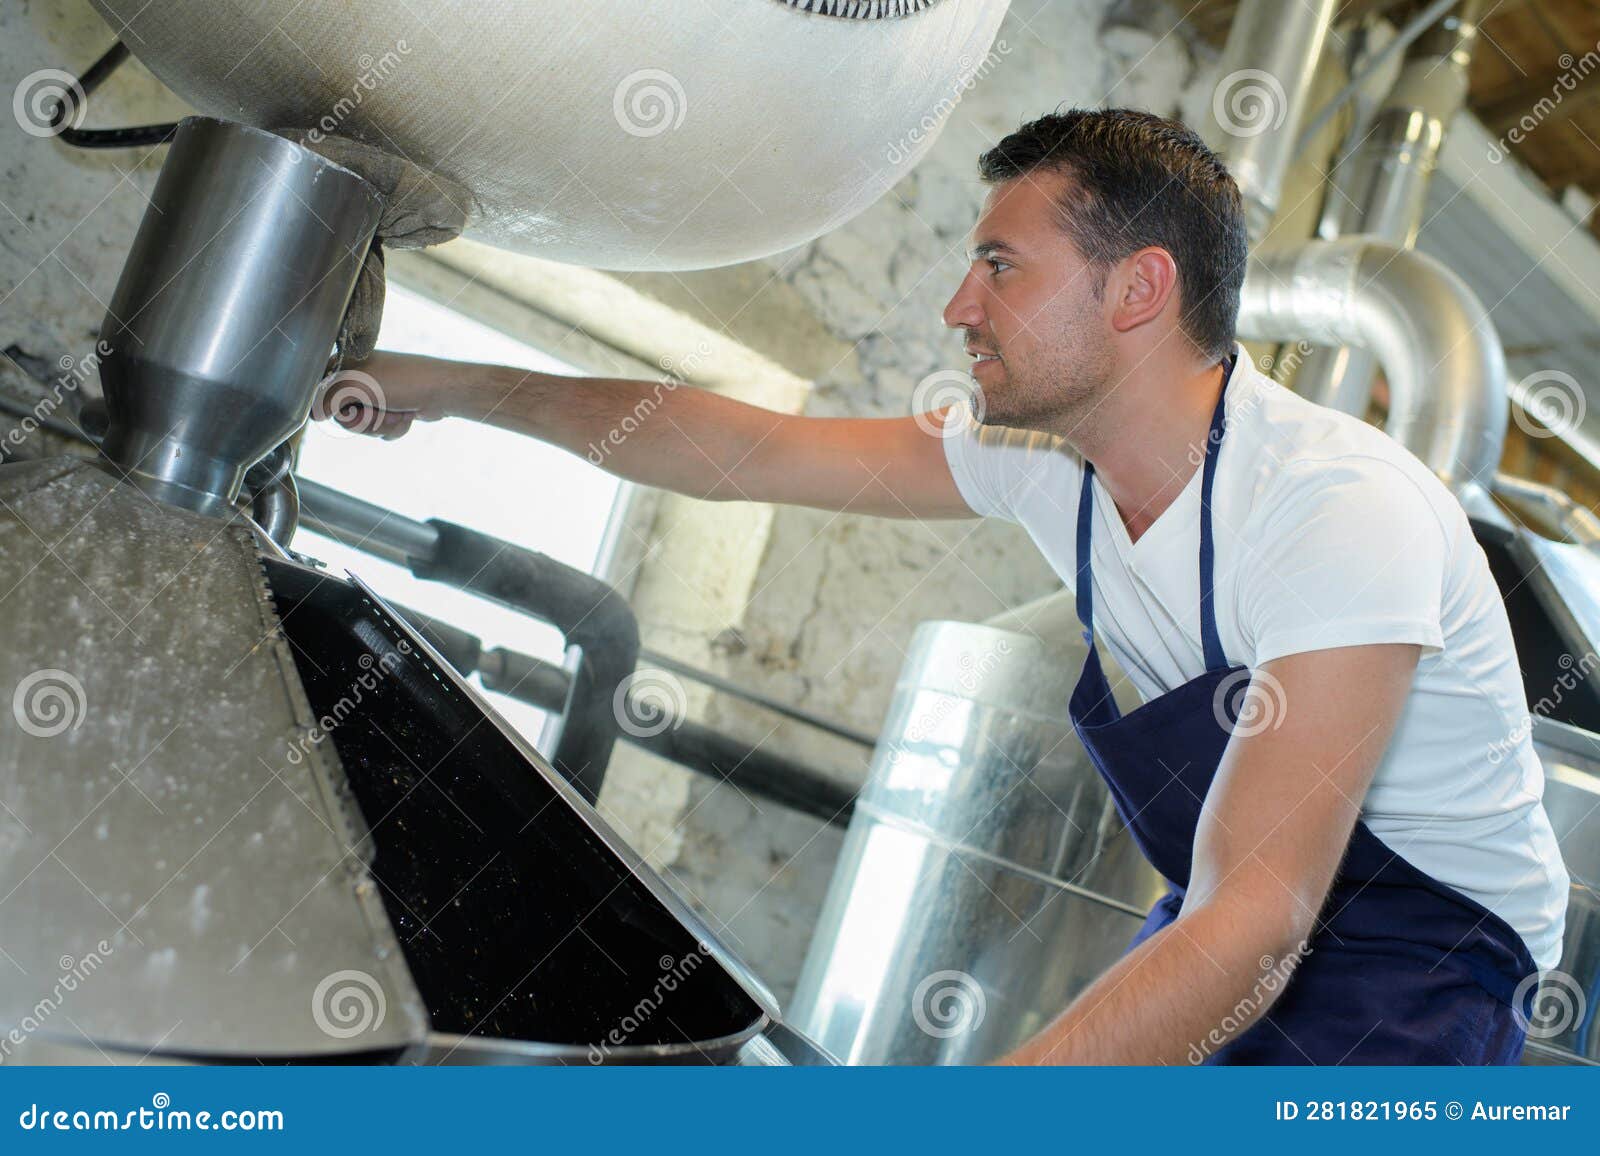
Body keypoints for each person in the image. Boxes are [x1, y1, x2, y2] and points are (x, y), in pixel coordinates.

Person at [317, 108, 1568, 1065]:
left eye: (1000, 269)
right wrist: (450, 388)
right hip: (1233, 906)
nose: (956, 303)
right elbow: (740, 450)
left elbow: (1256, 922)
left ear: (1138, 290)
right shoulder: (1047, 466)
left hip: (1429, 961)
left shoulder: (1334, 511)